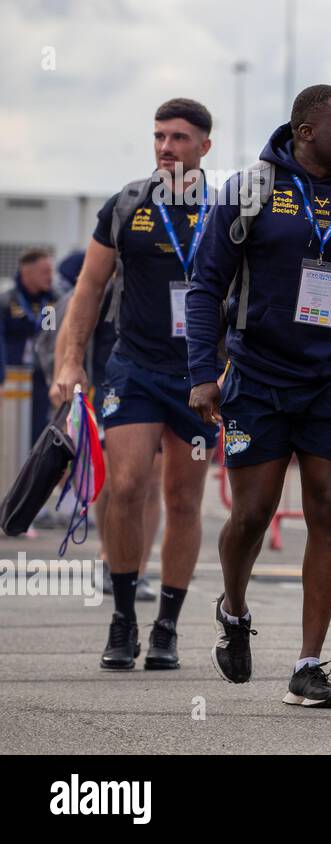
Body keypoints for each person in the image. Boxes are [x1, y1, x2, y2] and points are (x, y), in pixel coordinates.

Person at [186, 84, 331, 709]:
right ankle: (233, 608)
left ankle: (308, 665)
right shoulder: (249, 192)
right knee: (251, 514)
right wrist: (204, 373)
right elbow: (206, 286)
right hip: (257, 377)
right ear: (306, 131)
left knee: (327, 509)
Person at [49, 98, 220, 671]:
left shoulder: (225, 212)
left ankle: (167, 626)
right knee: (124, 486)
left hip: (200, 376)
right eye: (158, 136)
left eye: (178, 137)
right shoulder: (127, 206)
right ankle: (123, 617)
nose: (166, 147)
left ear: (204, 146)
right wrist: (69, 362)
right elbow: (88, 290)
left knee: (183, 498)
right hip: (135, 366)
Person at [43, 250, 163, 598]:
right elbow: (68, 327)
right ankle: (108, 556)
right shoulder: (112, 275)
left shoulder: (170, 269)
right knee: (115, 482)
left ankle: (138, 568)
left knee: (152, 482)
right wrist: (61, 376)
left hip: (162, 384)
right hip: (111, 387)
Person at [1, 249, 57, 447]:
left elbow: (52, 337)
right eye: (45, 272)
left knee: (38, 435)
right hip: (10, 381)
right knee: (8, 436)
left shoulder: (51, 302)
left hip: (41, 380)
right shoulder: (7, 301)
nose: (50, 277)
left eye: (51, 271)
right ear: (27, 272)